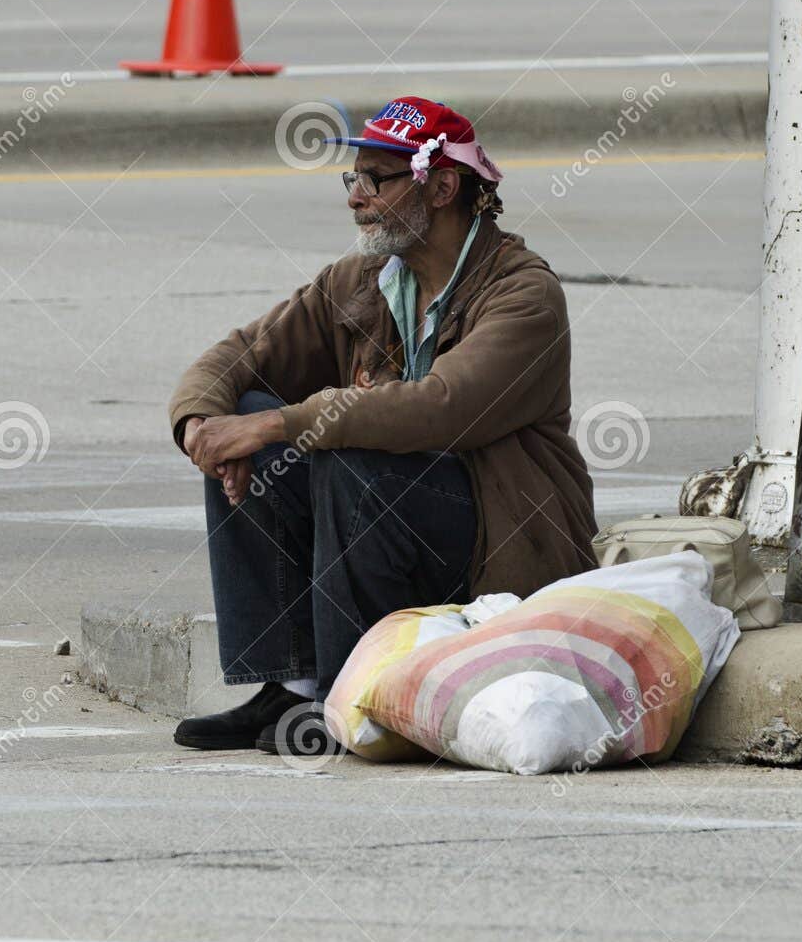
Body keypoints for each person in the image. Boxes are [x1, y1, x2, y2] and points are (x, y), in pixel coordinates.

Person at [168, 97, 597, 754]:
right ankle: (292, 687)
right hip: (388, 531)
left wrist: (284, 424)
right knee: (248, 418)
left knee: (340, 453)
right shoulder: (364, 281)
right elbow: (243, 354)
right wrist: (202, 420)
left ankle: (348, 697)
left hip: (495, 539)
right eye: (353, 180)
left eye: (375, 180)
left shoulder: (523, 293)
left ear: (443, 186)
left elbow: (443, 408)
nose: (355, 197)